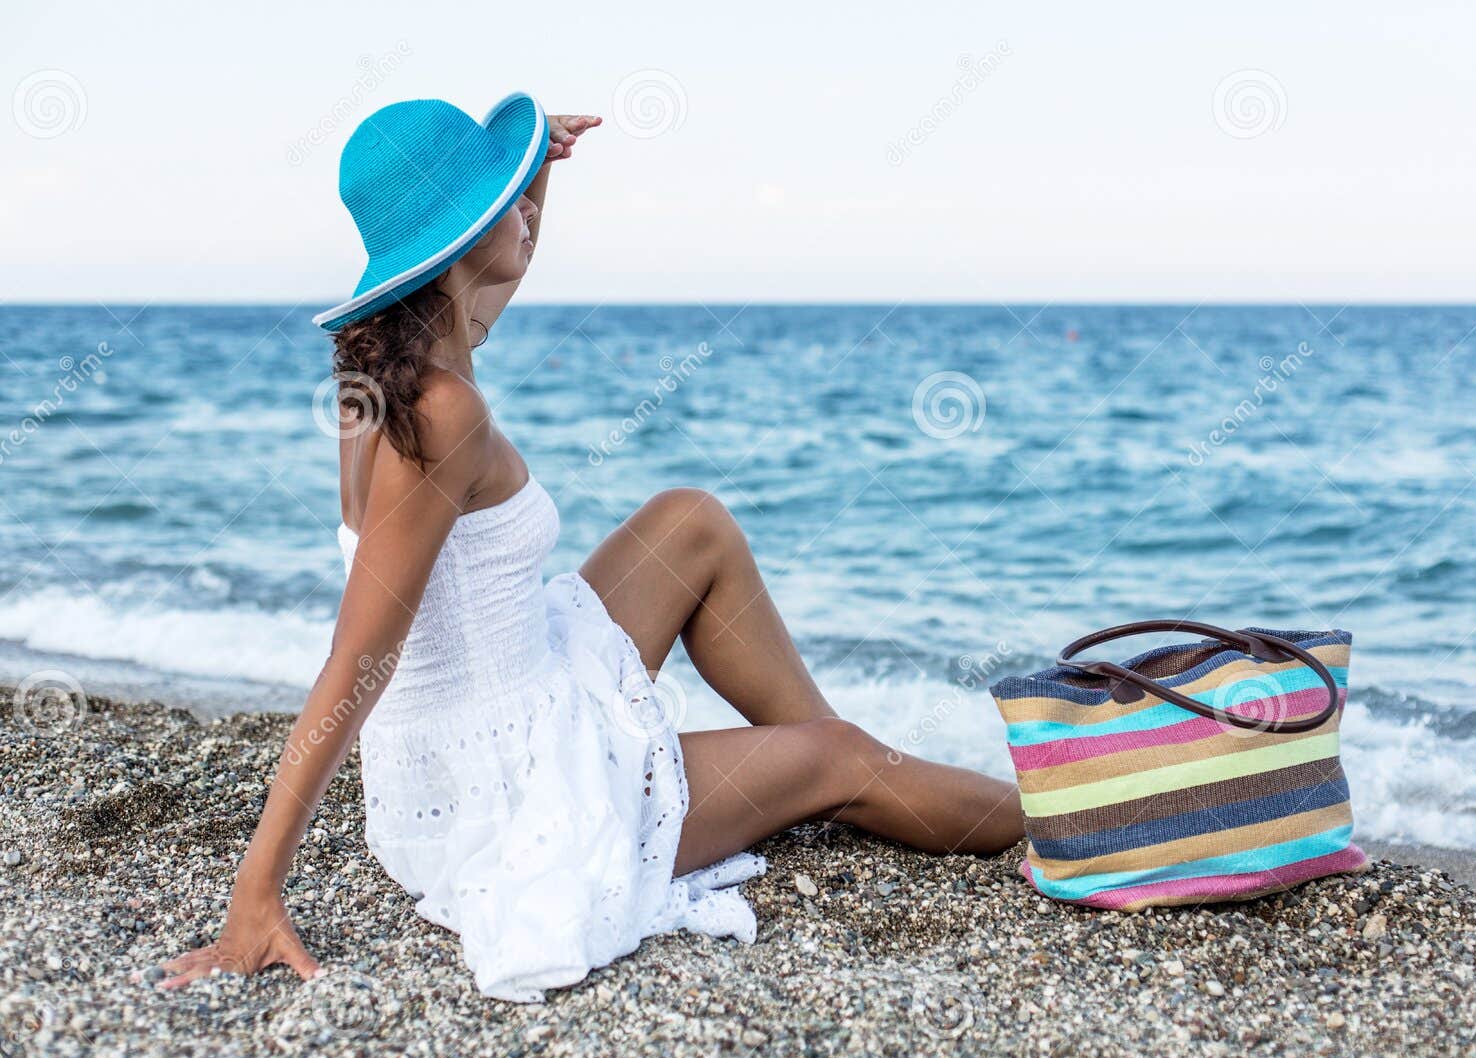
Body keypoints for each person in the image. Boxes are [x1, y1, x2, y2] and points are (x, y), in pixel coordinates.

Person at [160, 93, 1021, 1001]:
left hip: (504, 696)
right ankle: (1055, 814)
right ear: (455, 243)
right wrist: (254, 896)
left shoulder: (391, 371)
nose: (522, 216)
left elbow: (501, 272)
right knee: (842, 755)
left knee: (690, 521)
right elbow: (359, 656)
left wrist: (532, 174)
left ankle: (822, 772)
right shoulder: (442, 410)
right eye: (498, 203)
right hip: (505, 791)